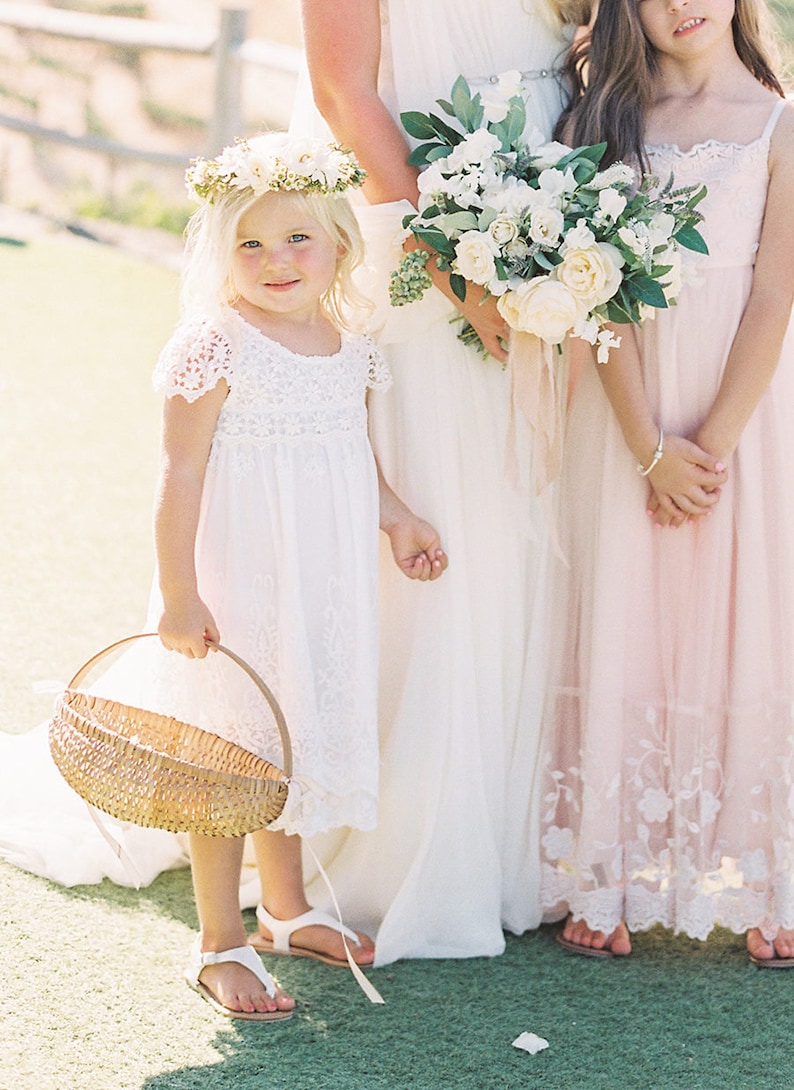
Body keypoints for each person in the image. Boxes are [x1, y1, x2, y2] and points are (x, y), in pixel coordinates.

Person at [92, 131, 444, 1019]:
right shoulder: (213, 344)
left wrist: (397, 516)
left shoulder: (349, 342)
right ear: (221, 252)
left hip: (319, 582)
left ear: (338, 245)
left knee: (294, 736)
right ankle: (219, 942)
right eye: (250, 242)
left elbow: (350, 454)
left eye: (297, 239)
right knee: (229, 756)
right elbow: (179, 474)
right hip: (234, 583)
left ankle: (284, 910)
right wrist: (179, 592)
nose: (275, 260)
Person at [287, 0, 584, 964]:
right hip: (420, 228)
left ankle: (513, 836)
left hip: (550, 232)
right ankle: (410, 837)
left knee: (525, 517)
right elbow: (342, 87)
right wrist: (459, 257)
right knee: (448, 503)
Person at [539, 0, 794, 962]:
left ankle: (770, 873)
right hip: (632, 414)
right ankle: (606, 870)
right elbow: (588, 289)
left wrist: (708, 449)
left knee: (751, 617)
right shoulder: (600, 126)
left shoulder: (781, 123)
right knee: (632, 614)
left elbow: (775, 294)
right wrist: (648, 446)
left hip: (745, 419)